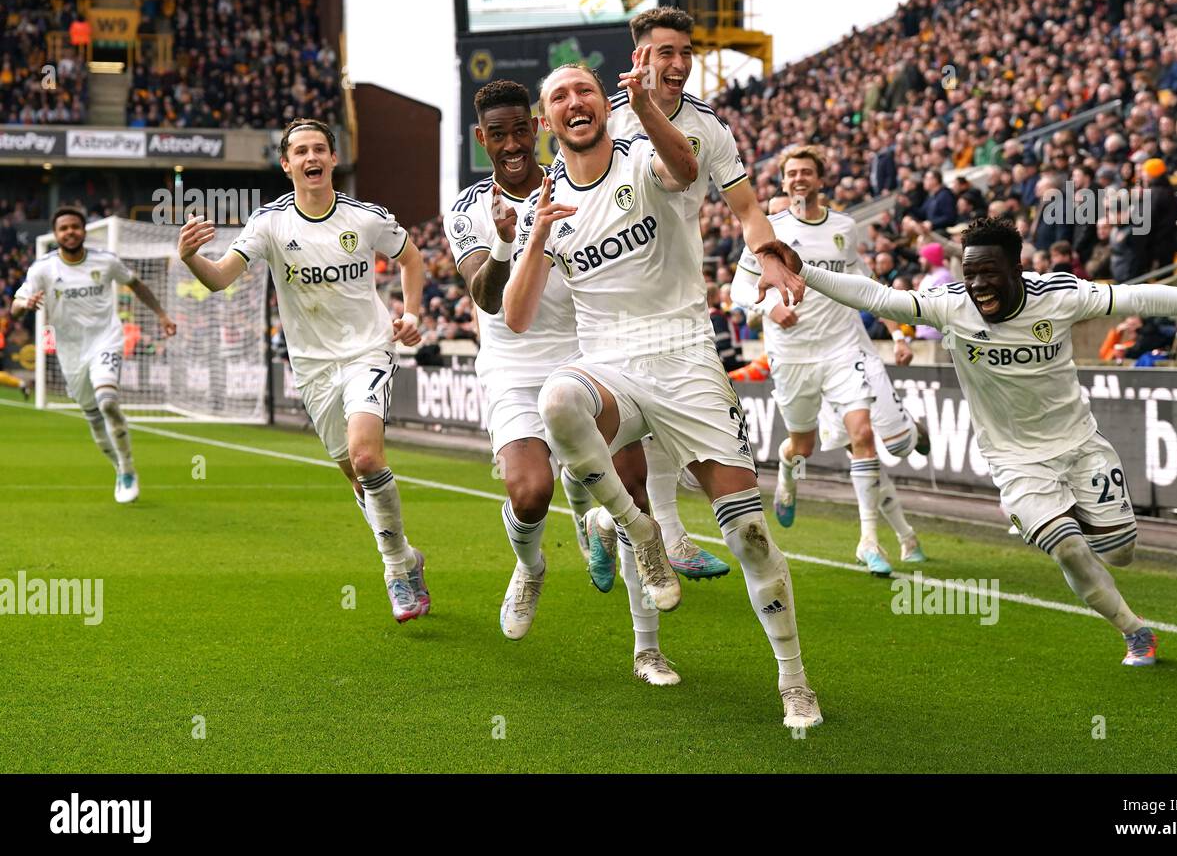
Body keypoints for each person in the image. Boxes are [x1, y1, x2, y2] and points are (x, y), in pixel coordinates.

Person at [760, 215, 1177, 666]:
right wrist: (804, 269)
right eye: (970, 274)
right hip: (1014, 460)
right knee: (1068, 548)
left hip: (1081, 445)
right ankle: (1133, 629)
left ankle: (1082, 518)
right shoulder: (951, 305)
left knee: (1120, 552)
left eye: (989, 272)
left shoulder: (1058, 296)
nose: (978, 284)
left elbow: (1138, 296)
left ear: (1017, 269)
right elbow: (878, 296)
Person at [503, 56, 822, 728]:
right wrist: (533, 241)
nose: (574, 101)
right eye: (559, 96)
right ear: (546, 120)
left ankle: (794, 682)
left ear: (603, 103)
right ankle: (638, 529)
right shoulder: (548, 205)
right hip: (611, 365)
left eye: (584, 89)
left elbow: (683, 169)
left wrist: (646, 105)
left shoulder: (642, 157)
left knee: (752, 537)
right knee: (556, 400)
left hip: (684, 361)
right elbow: (518, 316)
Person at [176, 118, 430, 624]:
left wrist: (412, 312)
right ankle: (407, 554)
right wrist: (190, 259)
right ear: (287, 164)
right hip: (312, 368)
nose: (311, 158)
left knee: (365, 456)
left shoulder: (365, 217)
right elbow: (220, 278)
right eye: (301, 151)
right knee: (356, 477)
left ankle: (396, 568)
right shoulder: (269, 223)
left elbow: (411, 258)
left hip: (368, 352)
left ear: (333, 160)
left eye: (320, 149)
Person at [732, 144, 923, 574]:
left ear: (820, 180)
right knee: (803, 446)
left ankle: (869, 540)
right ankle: (787, 471)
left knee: (863, 434)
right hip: (792, 354)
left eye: (806, 172)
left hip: (841, 349)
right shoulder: (768, 230)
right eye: (791, 173)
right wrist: (767, 308)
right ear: (783, 182)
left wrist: (898, 330)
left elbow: (866, 285)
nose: (799, 179)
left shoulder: (844, 228)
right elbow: (738, 290)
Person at [448, 79, 594, 640]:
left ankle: (588, 511)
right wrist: (509, 244)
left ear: (536, 130)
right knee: (531, 492)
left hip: (582, 354)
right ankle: (530, 567)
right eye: (498, 136)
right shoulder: (468, 210)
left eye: (519, 132)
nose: (511, 146)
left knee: (626, 484)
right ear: (482, 138)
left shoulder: (578, 184)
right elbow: (486, 299)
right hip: (511, 364)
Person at [12, 206, 177, 502]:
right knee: (93, 417)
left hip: (105, 339)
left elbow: (135, 284)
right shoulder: (43, 268)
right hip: (70, 350)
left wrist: (162, 315)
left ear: (84, 231)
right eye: (64, 228)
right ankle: (118, 467)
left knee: (108, 402)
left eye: (75, 226)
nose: (70, 232)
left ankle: (128, 468)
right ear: (56, 234)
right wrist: (24, 305)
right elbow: (15, 304)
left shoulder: (107, 261)